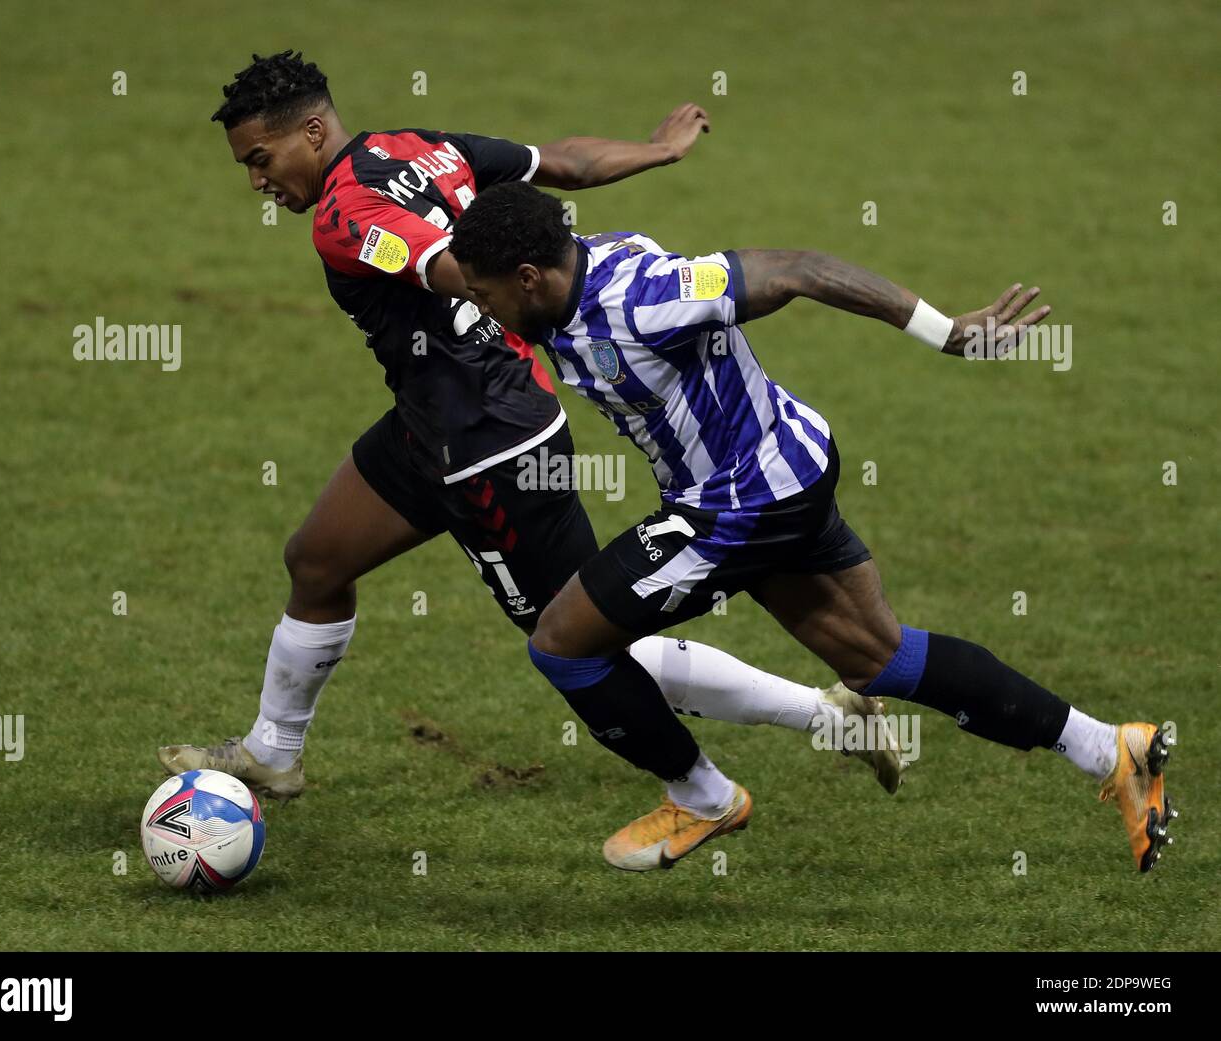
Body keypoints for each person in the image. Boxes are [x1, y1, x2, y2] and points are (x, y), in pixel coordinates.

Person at [159, 51, 903, 809]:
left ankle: (824, 716)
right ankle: (272, 752)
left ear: (312, 130)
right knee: (316, 562)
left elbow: (457, 271)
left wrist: (517, 275)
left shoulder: (344, 221)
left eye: (260, 159)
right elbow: (565, 164)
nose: (256, 180)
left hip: (494, 444)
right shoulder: (419, 147)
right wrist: (659, 149)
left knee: (584, 636)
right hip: (428, 426)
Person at [448, 180, 1176, 873]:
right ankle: (1113, 748)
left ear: (528, 277)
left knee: (562, 644)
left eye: (484, 295)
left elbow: (801, 268)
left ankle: (701, 797)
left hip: (739, 502)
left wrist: (948, 332)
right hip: (786, 470)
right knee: (880, 660)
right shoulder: (566, 275)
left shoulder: (643, 298)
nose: (481, 309)